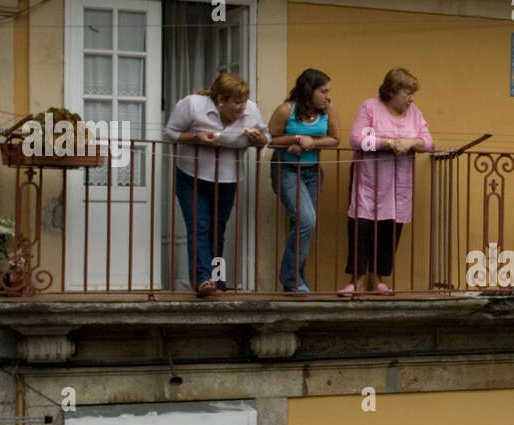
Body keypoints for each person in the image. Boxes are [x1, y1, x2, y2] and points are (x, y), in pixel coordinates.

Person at [164, 72, 269, 298]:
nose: (243, 107)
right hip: (190, 175)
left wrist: (259, 140)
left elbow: (266, 137)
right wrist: (195, 137)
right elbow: (170, 133)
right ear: (221, 100)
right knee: (198, 226)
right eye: (237, 102)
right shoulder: (192, 105)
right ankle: (203, 279)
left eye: (244, 101)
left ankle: (218, 278)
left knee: (218, 230)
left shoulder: (251, 110)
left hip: (228, 179)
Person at [341, 68, 432, 296]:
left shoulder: (415, 113)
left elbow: (428, 143)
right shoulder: (370, 107)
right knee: (361, 227)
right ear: (391, 91)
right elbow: (357, 140)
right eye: (407, 93)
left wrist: (411, 142)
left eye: (412, 94)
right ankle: (357, 281)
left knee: (389, 229)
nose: (411, 99)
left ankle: (378, 280)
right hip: (369, 180)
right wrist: (388, 143)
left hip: (399, 184)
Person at [266, 69, 339, 293]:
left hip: (312, 171)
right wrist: (296, 138)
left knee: (303, 224)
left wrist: (312, 143)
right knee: (306, 220)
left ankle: (295, 281)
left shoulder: (328, 109)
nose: (328, 96)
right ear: (309, 91)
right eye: (323, 91)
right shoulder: (285, 110)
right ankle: (292, 279)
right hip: (287, 169)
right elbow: (269, 139)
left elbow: (335, 139)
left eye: (328, 91)